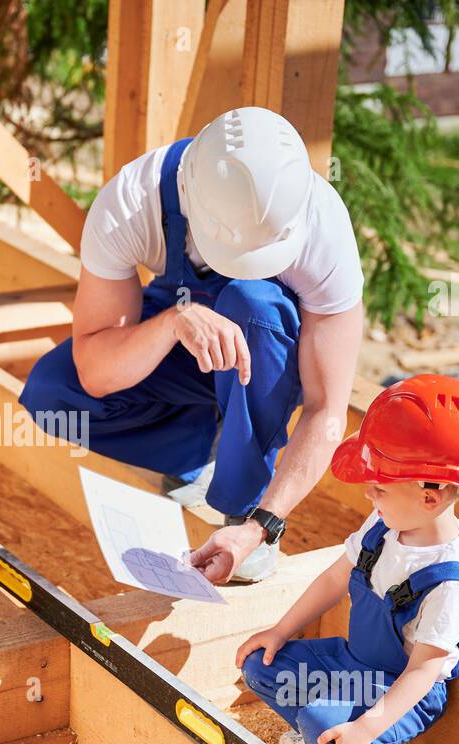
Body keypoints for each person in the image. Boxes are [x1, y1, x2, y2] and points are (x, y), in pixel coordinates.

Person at [19, 106, 365, 583]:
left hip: (271, 359)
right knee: (54, 391)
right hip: (186, 330)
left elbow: (328, 408)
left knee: (254, 305)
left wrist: (265, 522)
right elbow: (96, 369)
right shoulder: (131, 201)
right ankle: (195, 449)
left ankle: (241, 506)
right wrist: (173, 323)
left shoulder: (321, 226)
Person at [236, 375, 459, 744]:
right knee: (260, 667)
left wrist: (366, 726)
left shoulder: (450, 580)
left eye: (380, 486)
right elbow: (334, 578)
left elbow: (422, 670)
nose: (368, 494)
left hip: (398, 689)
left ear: (430, 497)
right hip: (353, 661)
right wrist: (279, 631)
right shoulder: (385, 524)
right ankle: (327, 734)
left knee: (320, 720)